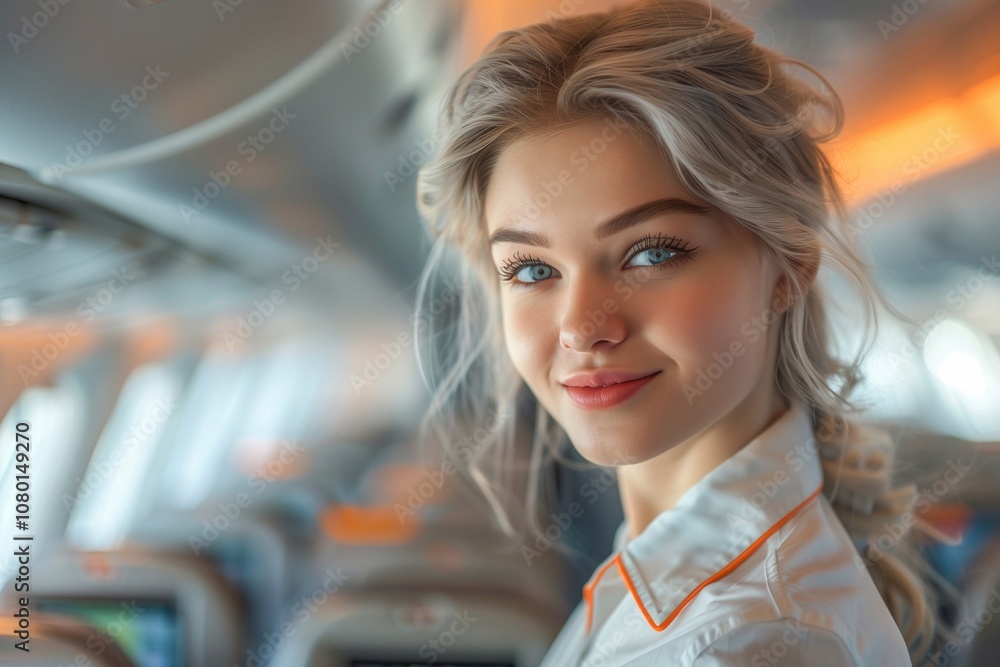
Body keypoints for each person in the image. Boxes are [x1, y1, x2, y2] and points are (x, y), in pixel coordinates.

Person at [412, 1, 955, 664]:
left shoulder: (746, 642)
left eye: (651, 253)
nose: (582, 328)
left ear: (787, 267)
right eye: (532, 268)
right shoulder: (671, 579)